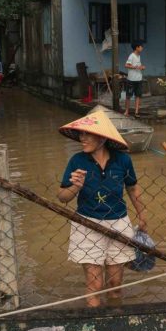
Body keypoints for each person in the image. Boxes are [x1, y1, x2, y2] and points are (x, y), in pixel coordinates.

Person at [57, 109, 148, 307]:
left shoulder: (123, 160)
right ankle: (94, 325)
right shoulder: (77, 161)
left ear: (102, 138)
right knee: (94, 284)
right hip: (87, 223)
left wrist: (142, 215)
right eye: (81, 133)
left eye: (87, 133)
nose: (82, 138)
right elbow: (62, 197)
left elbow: (132, 188)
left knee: (115, 284)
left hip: (119, 222)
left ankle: (114, 318)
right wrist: (75, 186)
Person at [124, 42, 145, 117]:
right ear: (137, 47)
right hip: (131, 79)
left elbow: (138, 65)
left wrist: (141, 67)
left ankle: (136, 112)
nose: (142, 48)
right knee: (128, 96)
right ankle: (126, 111)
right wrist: (136, 67)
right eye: (141, 46)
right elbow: (126, 65)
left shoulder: (138, 56)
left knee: (138, 95)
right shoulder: (131, 56)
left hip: (139, 79)